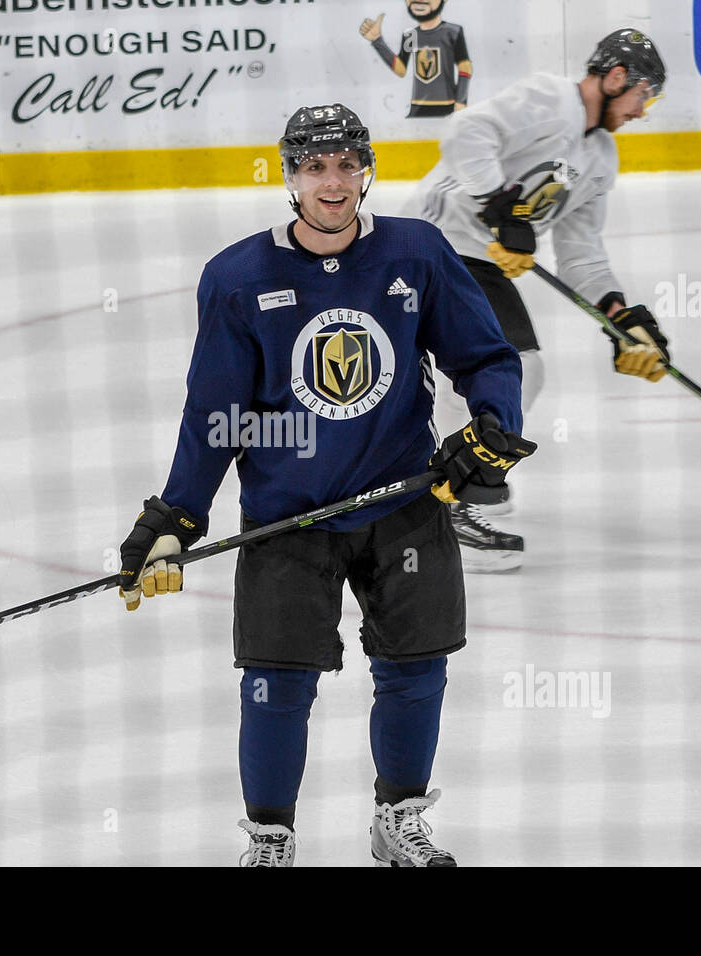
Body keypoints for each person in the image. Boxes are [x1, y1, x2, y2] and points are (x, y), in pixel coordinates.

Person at [117, 104, 535, 866]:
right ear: (290, 177)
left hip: (405, 502)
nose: (333, 183)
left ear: (365, 170)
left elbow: (487, 357)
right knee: (276, 686)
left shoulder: (417, 253)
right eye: (316, 167)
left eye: (346, 165)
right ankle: (272, 839)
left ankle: (398, 819)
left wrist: (493, 429)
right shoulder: (237, 278)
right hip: (288, 521)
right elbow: (218, 414)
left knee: (415, 671)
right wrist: (177, 513)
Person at [405, 28, 671, 572]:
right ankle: (444, 500)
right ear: (616, 77)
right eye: (643, 95)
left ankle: (443, 483)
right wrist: (502, 207)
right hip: (433, 241)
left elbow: (581, 254)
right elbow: (465, 133)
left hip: (476, 258)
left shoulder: (598, 156)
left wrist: (621, 317)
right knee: (513, 367)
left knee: (517, 369)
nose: (642, 111)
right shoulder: (551, 100)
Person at [359, 1, 472, 117]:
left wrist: (461, 101)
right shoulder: (410, 35)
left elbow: (465, 67)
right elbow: (401, 69)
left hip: (446, 105)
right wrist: (377, 41)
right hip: (418, 106)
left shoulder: (452, 32)